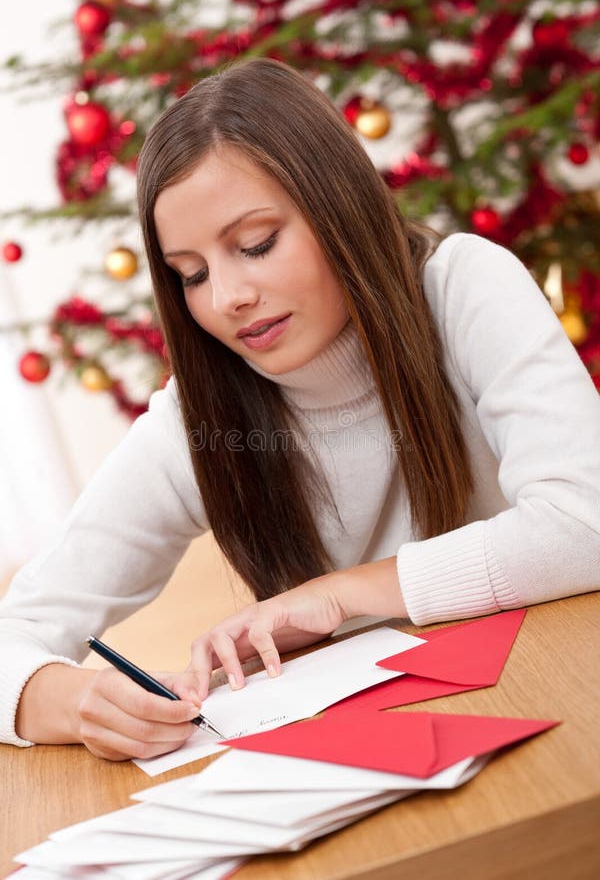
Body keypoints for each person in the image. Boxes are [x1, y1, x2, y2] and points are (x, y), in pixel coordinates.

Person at [1, 57, 599, 763]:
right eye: (191, 274)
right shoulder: (197, 419)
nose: (227, 297)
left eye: (255, 245)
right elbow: (21, 629)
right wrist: (66, 699)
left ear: (335, 204)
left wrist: (343, 596)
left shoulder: (463, 287)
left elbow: (584, 523)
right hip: (383, 764)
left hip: (561, 710)